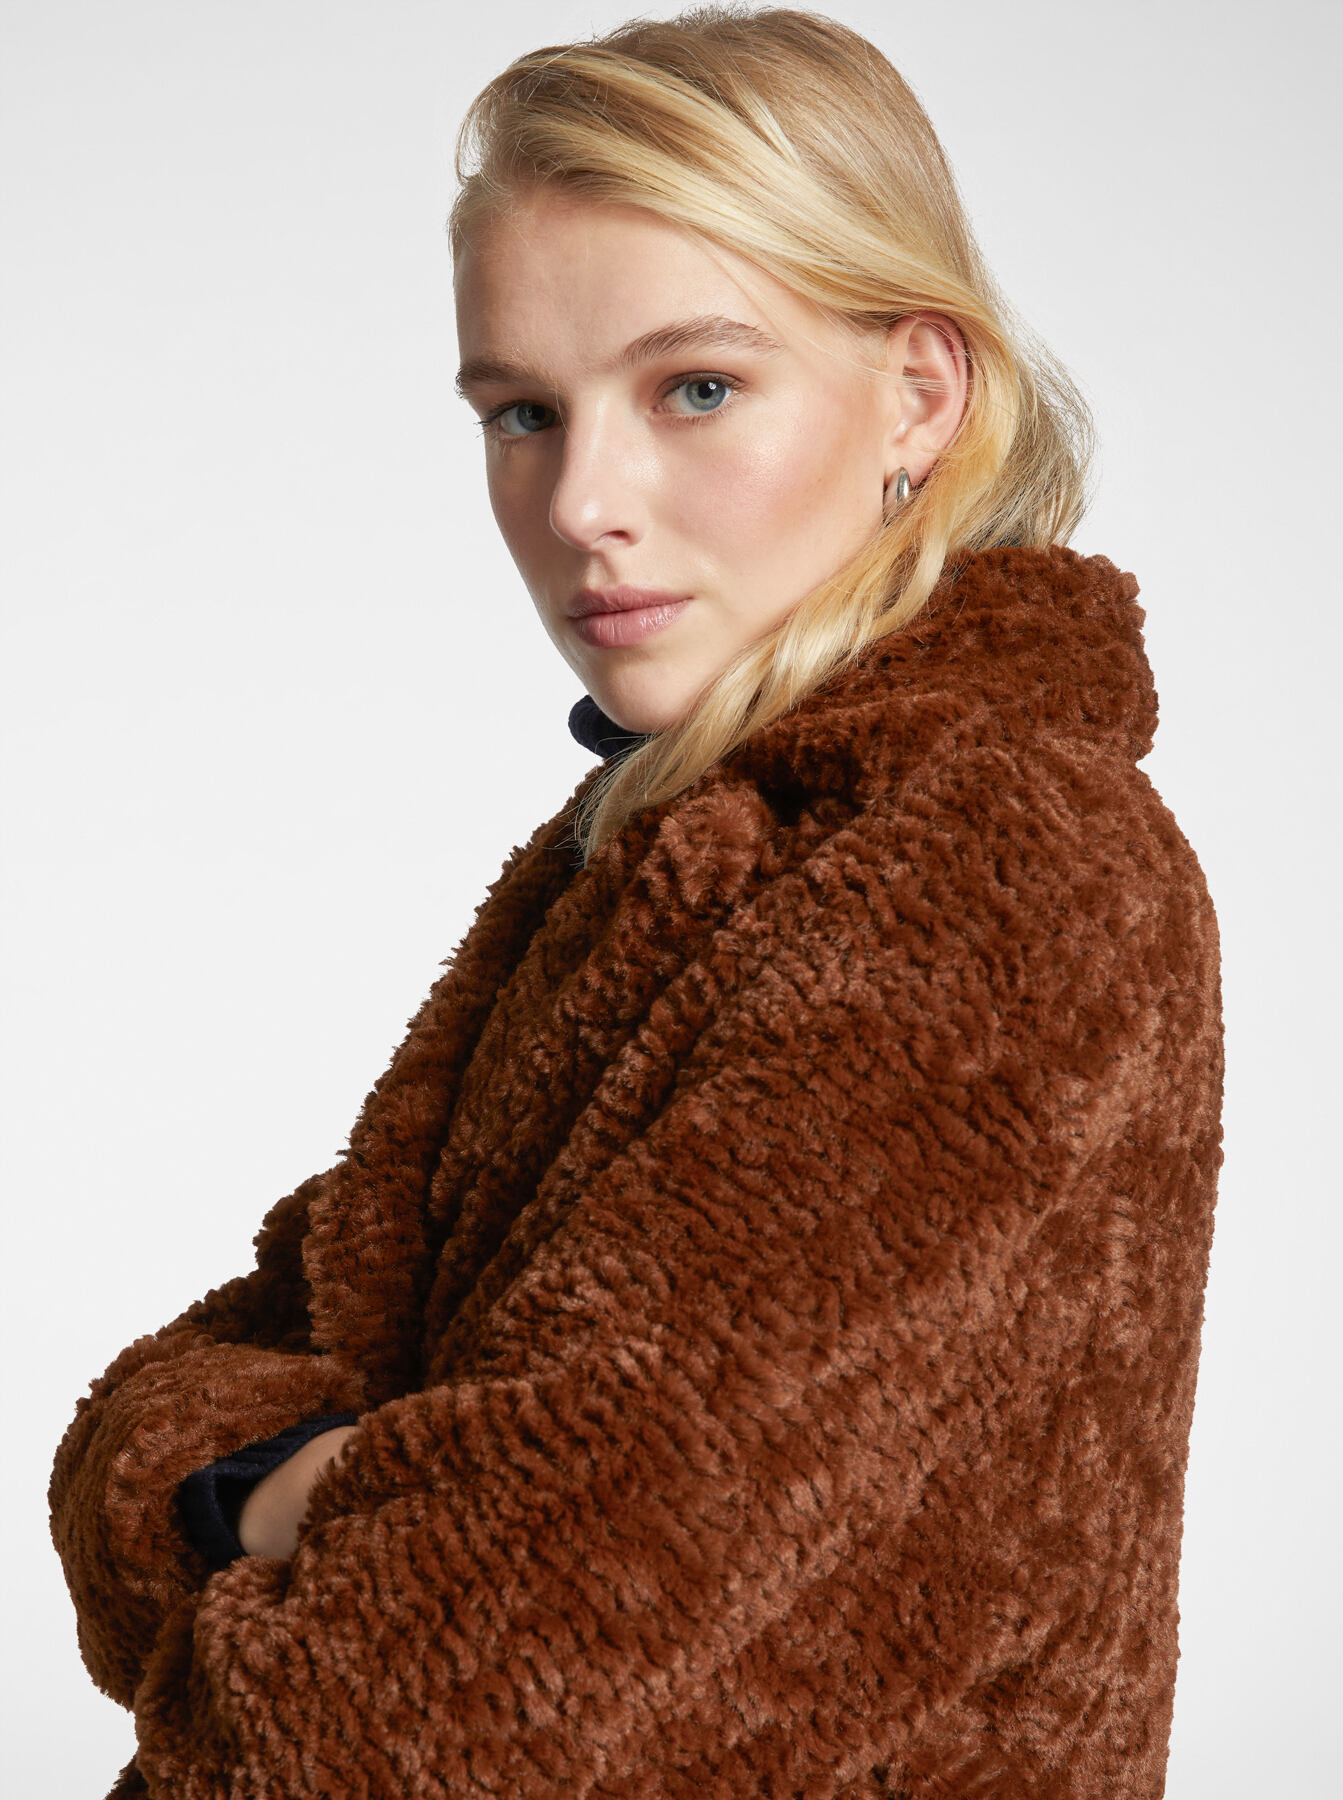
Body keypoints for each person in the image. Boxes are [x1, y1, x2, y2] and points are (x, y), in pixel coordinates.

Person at [48, 8, 1224, 1797]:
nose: (582, 502)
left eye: (695, 389)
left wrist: (273, 1508)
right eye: (522, 413)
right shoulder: (656, 849)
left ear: (920, 392)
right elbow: (229, 1365)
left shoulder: (990, 851)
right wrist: (251, 1489)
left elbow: (459, 1674)